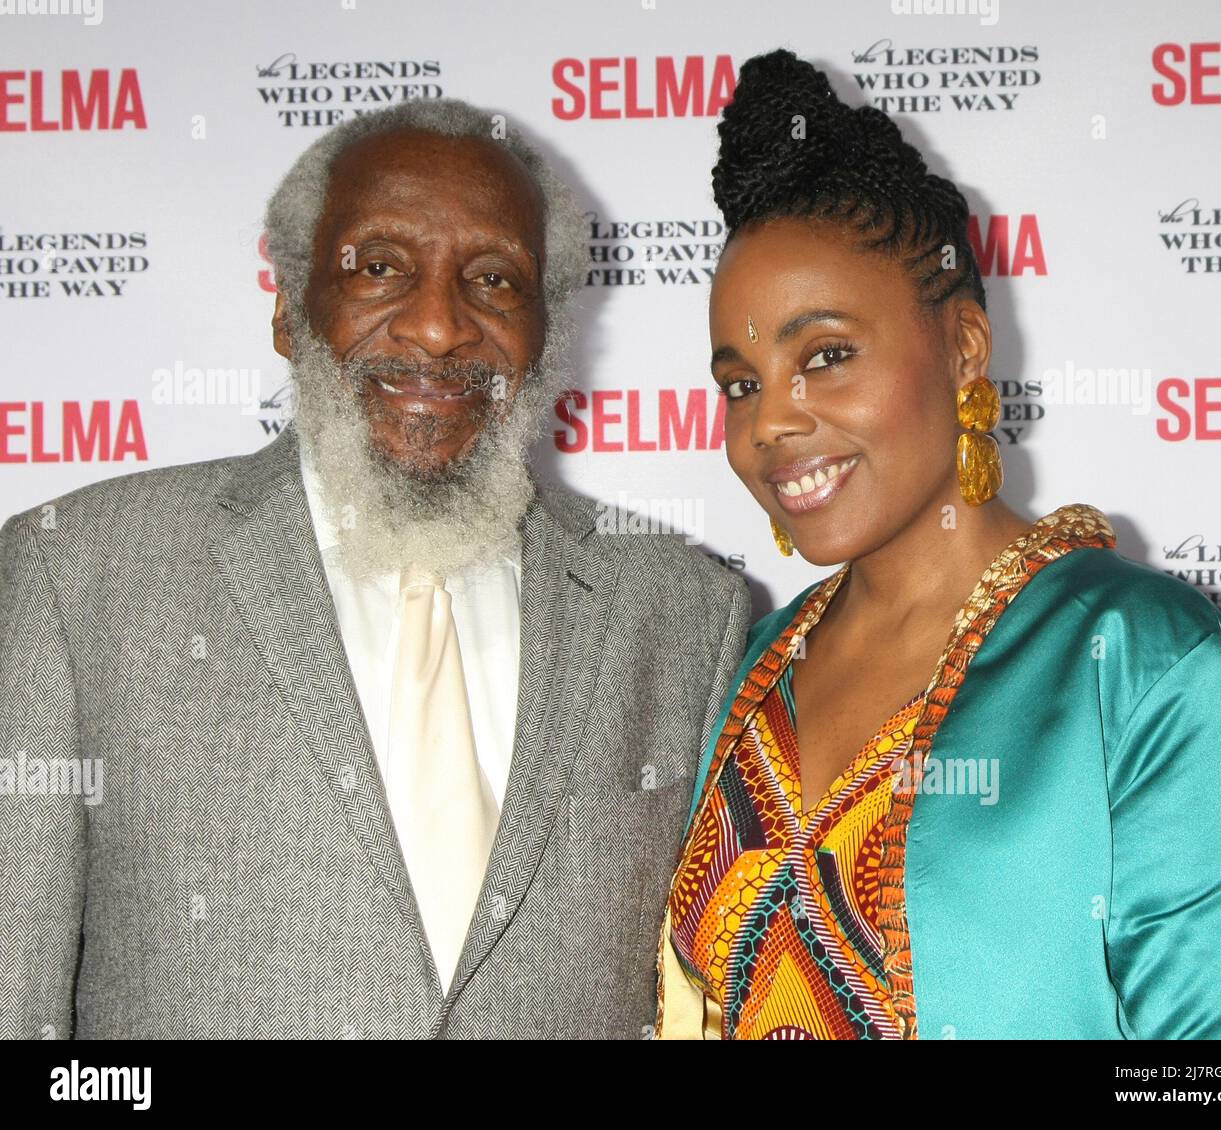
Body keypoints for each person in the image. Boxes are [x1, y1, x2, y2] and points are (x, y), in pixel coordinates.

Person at [0, 98, 749, 1039]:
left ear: (546, 334)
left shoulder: (682, 610)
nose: (439, 327)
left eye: (493, 280)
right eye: (381, 267)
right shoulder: (80, 572)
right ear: (288, 306)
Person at [655, 49, 1221, 1040]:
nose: (770, 423)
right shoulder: (752, 667)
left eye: (824, 356)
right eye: (740, 382)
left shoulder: (1147, 663)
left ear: (961, 347)